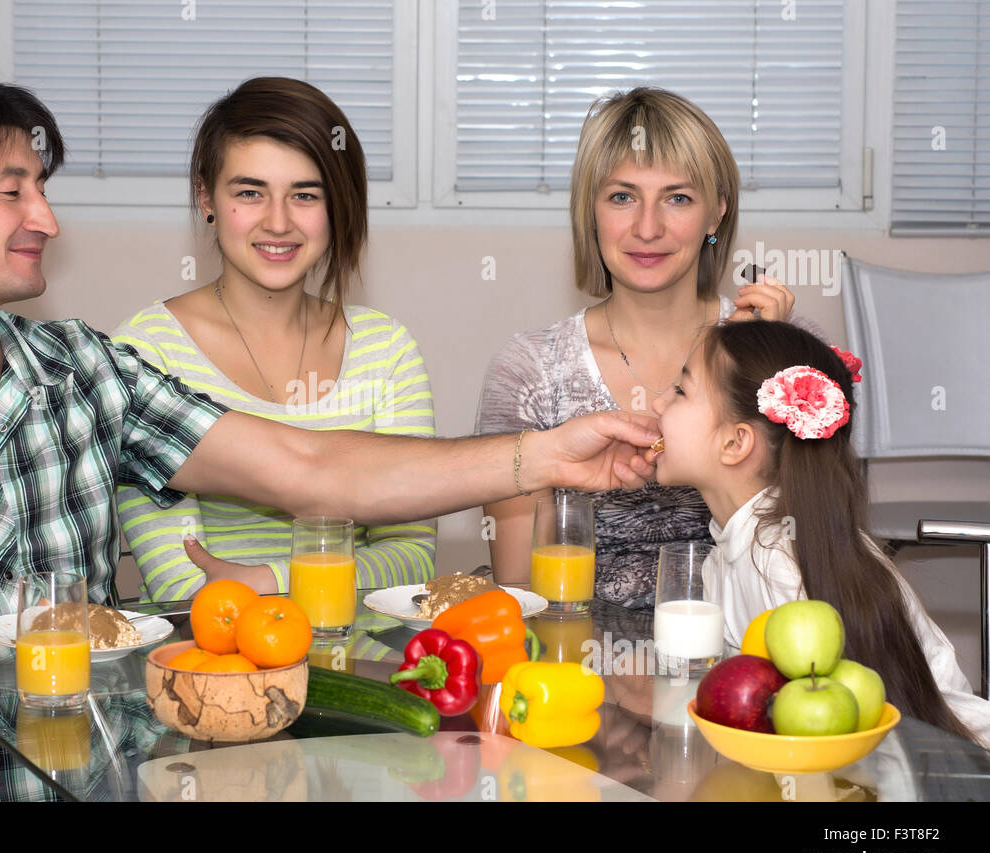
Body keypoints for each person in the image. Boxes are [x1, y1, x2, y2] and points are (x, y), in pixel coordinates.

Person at [0, 71, 661, 801]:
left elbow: (307, 465)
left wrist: (539, 453)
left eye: (43, 187)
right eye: (14, 190)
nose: (47, 218)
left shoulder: (83, 372)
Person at [477, 86, 802, 609]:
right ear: (592, 211)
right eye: (622, 197)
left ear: (716, 214)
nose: (647, 228)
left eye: (678, 198)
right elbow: (521, 592)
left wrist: (769, 368)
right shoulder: (529, 369)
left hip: (747, 662)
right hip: (578, 670)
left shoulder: (779, 354)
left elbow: (809, 553)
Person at [113, 77, 435, 601]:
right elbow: (184, 582)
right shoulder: (145, 353)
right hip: (210, 664)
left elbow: (411, 558)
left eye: (305, 195)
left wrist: (270, 579)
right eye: (249, 193)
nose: (278, 222)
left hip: (359, 661)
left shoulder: (386, 347)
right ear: (206, 197)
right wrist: (326, 576)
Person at [652, 320, 989, 746]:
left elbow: (823, 733)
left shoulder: (776, 565)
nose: (658, 402)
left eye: (680, 391)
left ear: (735, 444)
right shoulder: (741, 542)